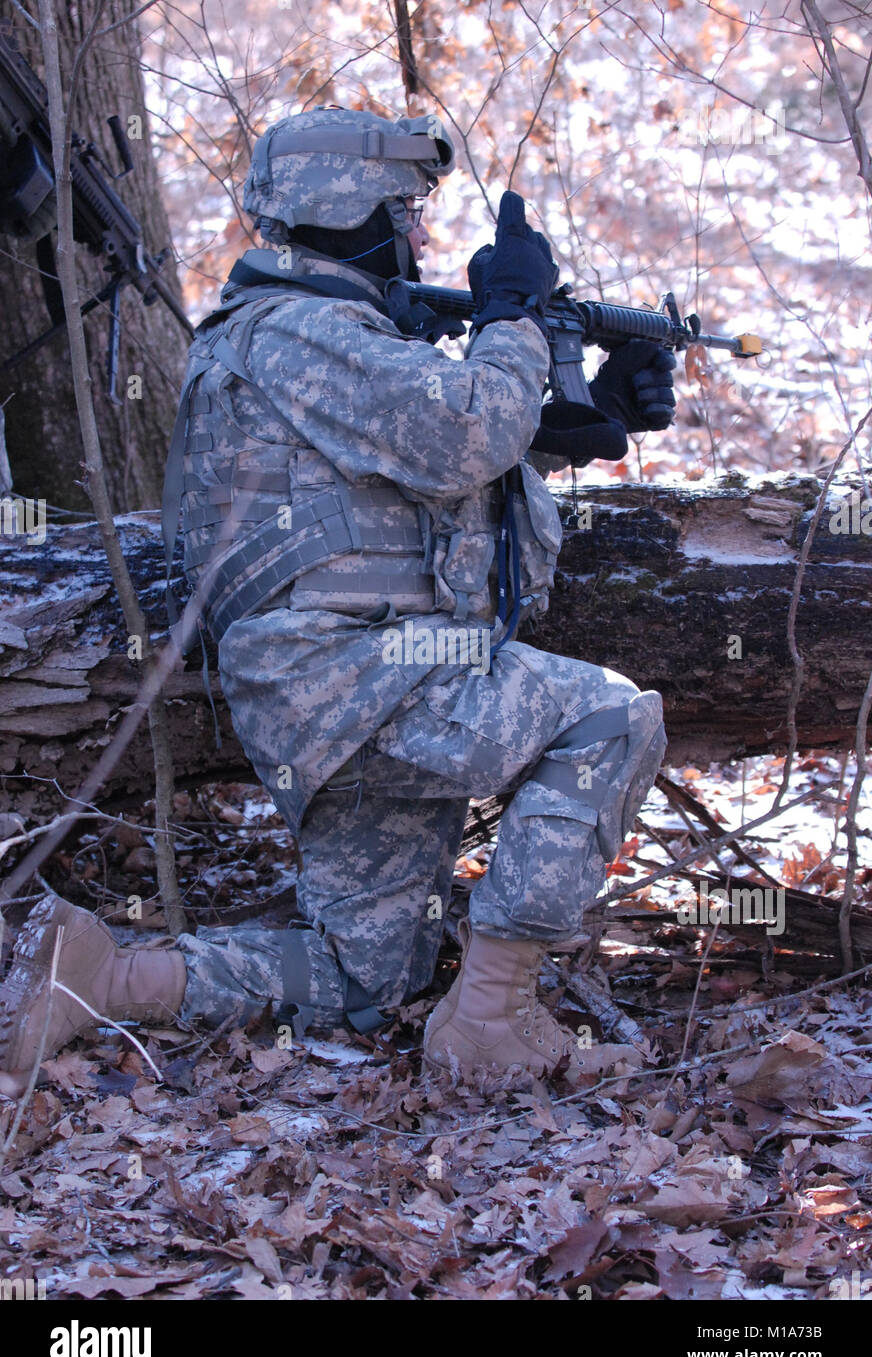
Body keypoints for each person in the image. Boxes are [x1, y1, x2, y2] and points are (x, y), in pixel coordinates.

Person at [0, 107, 675, 1096]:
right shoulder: (296, 330)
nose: (417, 233)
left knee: (369, 978)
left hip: (337, 685)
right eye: (404, 207)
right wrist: (514, 321)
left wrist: (591, 411)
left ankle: (106, 975)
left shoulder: (305, 332)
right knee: (610, 716)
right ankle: (491, 1017)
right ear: (346, 202)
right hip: (364, 671)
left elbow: (421, 473)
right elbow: (460, 435)